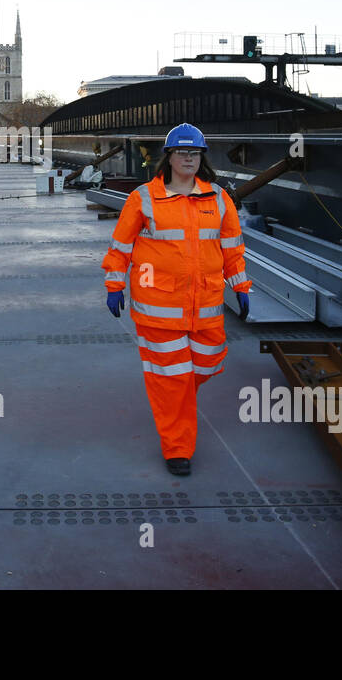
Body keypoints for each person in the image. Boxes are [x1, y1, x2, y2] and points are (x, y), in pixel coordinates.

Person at [101, 123, 252, 476]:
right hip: (158, 308)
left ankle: (177, 402)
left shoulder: (217, 198)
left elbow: (232, 248)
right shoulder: (144, 198)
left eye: (195, 153)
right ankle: (177, 449)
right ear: (168, 157)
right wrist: (114, 285)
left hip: (206, 306)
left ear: (202, 158)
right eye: (182, 152)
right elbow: (120, 247)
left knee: (207, 363)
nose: (189, 158)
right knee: (172, 380)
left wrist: (241, 286)